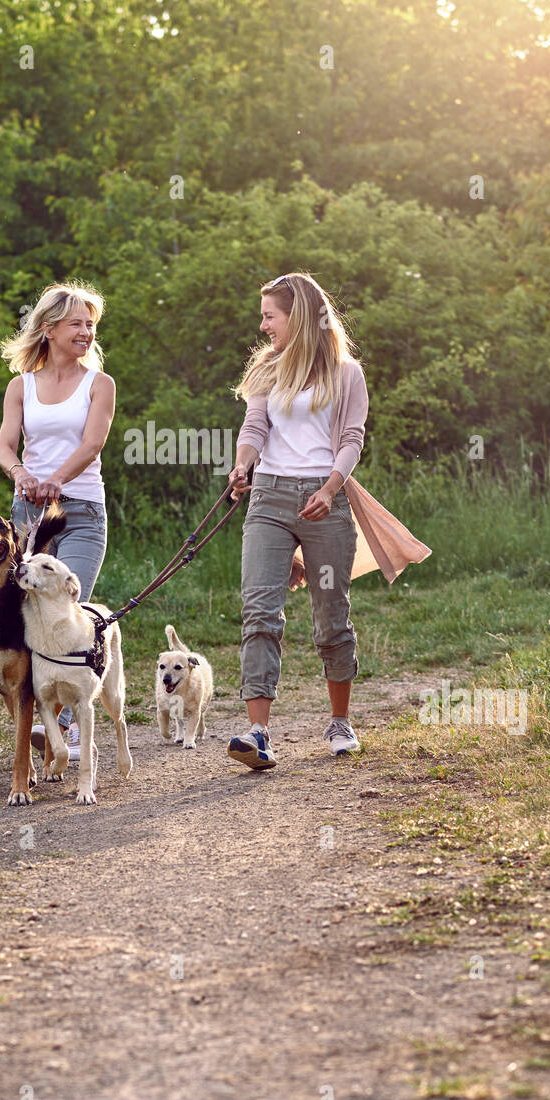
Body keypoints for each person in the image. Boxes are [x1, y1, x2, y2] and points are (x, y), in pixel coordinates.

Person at [227, 271, 431, 771]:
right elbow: (255, 425)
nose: (263, 325)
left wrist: (330, 488)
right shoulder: (268, 367)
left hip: (325, 501)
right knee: (259, 610)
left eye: (270, 316)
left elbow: (351, 439)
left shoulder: (345, 372)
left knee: (330, 614)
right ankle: (258, 733)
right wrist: (243, 462)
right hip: (269, 500)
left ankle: (340, 721)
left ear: (297, 316)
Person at [0, 281, 115, 762]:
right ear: (48, 328)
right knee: (31, 615)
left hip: (82, 511)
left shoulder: (99, 384)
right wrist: (22, 472)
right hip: (29, 514)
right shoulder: (21, 385)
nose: (86, 332)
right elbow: (5, 446)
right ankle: (40, 717)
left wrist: (57, 480)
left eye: (91, 324)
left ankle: (64, 724)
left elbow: (92, 444)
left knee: (68, 608)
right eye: (77, 324)